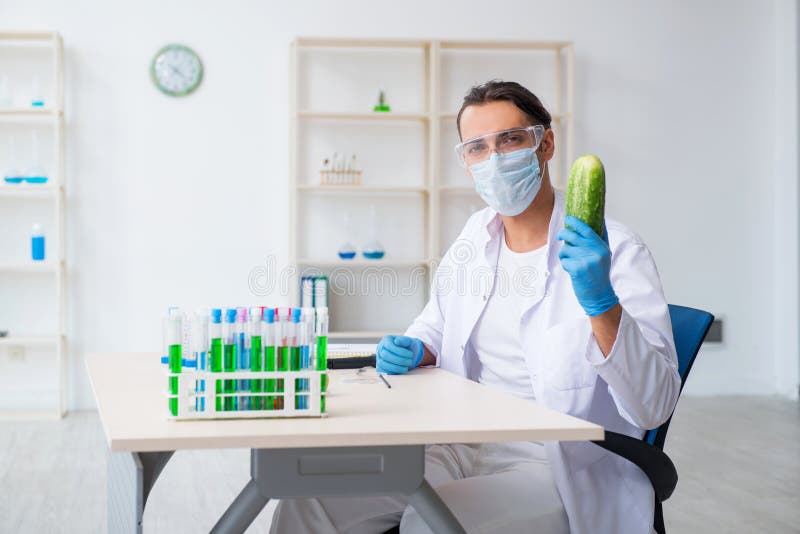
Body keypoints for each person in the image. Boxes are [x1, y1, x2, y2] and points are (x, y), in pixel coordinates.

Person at [270, 80, 680, 534]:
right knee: (309, 499)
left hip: (554, 464)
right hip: (458, 442)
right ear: (466, 162)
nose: (495, 159)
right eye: (477, 147)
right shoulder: (475, 235)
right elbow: (435, 325)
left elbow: (654, 404)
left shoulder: (617, 251)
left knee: (428, 525)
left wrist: (602, 302)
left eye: (511, 139)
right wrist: (417, 347)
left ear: (545, 144)